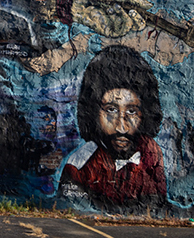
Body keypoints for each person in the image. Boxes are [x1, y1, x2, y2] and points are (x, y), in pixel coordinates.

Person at [61, 46, 167, 207]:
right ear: (94, 111)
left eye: (131, 111)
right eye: (111, 110)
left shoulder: (150, 152)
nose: (121, 127)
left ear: (144, 112)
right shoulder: (79, 164)